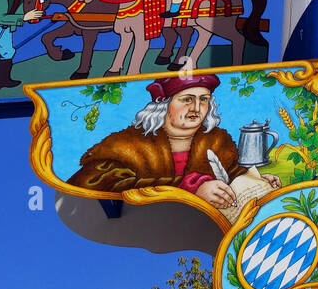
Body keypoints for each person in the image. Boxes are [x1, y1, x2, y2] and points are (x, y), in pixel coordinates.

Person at [66, 74, 280, 208]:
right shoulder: (127, 144)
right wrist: (188, 189)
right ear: (164, 105)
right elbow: (93, 180)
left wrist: (255, 181)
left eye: (203, 100)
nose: (196, 108)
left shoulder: (216, 141)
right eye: (187, 100)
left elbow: (230, 173)